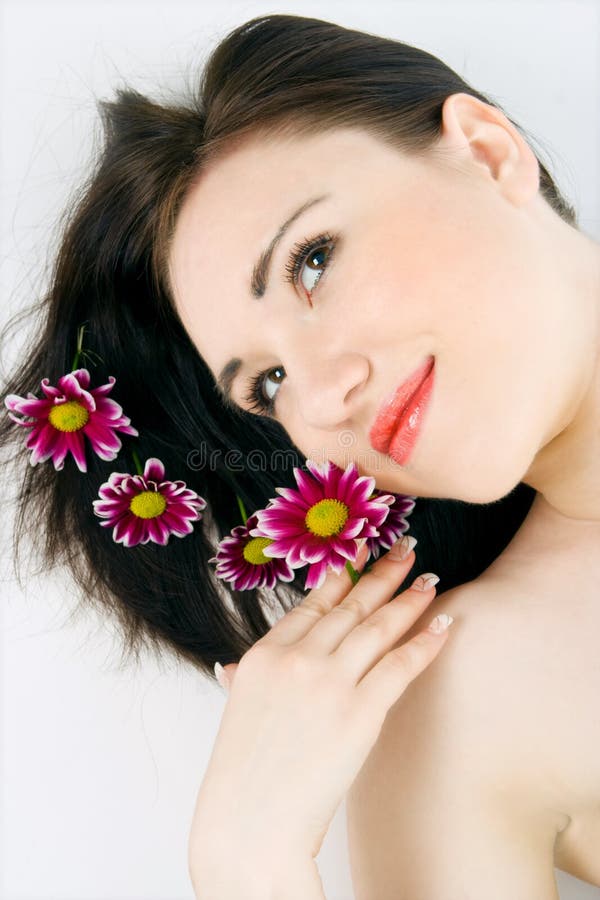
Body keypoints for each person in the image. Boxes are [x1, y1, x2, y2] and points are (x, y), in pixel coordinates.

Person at [1, 12, 598, 899]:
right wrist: (249, 859)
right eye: (268, 385)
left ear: (485, 149)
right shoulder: (465, 706)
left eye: (312, 262)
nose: (318, 398)